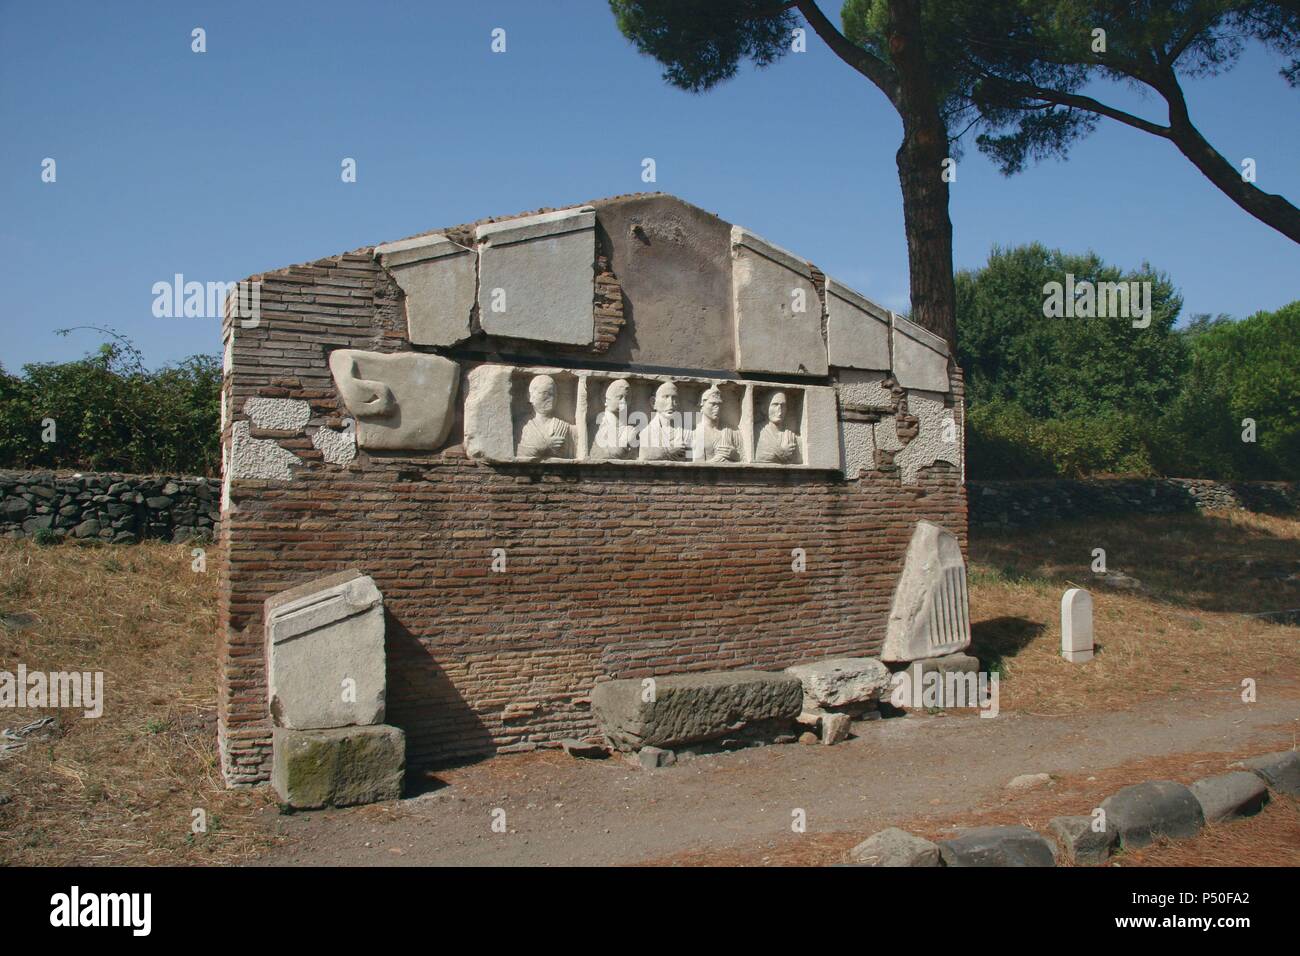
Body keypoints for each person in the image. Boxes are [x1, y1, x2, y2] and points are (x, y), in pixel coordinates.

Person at [516, 374, 573, 460]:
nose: (551, 398)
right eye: (545, 393)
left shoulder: (564, 427)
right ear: (531, 396)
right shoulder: (521, 425)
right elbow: (515, 451)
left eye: (553, 394)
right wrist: (543, 446)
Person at [638, 381, 691, 461]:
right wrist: (670, 452)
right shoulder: (646, 433)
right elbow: (644, 456)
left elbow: (692, 456)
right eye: (666, 397)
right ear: (653, 403)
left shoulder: (686, 433)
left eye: (674, 398)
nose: (671, 403)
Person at [690, 385, 741, 462]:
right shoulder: (694, 433)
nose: (717, 408)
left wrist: (736, 456)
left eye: (719, 404)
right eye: (713, 404)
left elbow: (745, 458)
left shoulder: (732, 432)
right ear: (702, 405)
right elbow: (696, 465)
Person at [589, 378, 636, 460]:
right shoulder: (595, 427)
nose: (624, 402)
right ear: (605, 399)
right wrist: (624, 443)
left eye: (627, 398)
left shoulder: (631, 430)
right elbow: (601, 455)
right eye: (619, 397)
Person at [754, 391, 800, 464]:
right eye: (775, 405)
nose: (780, 409)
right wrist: (782, 453)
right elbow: (759, 456)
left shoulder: (791, 436)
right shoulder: (756, 432)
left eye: (783, 405)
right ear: (764, 408)